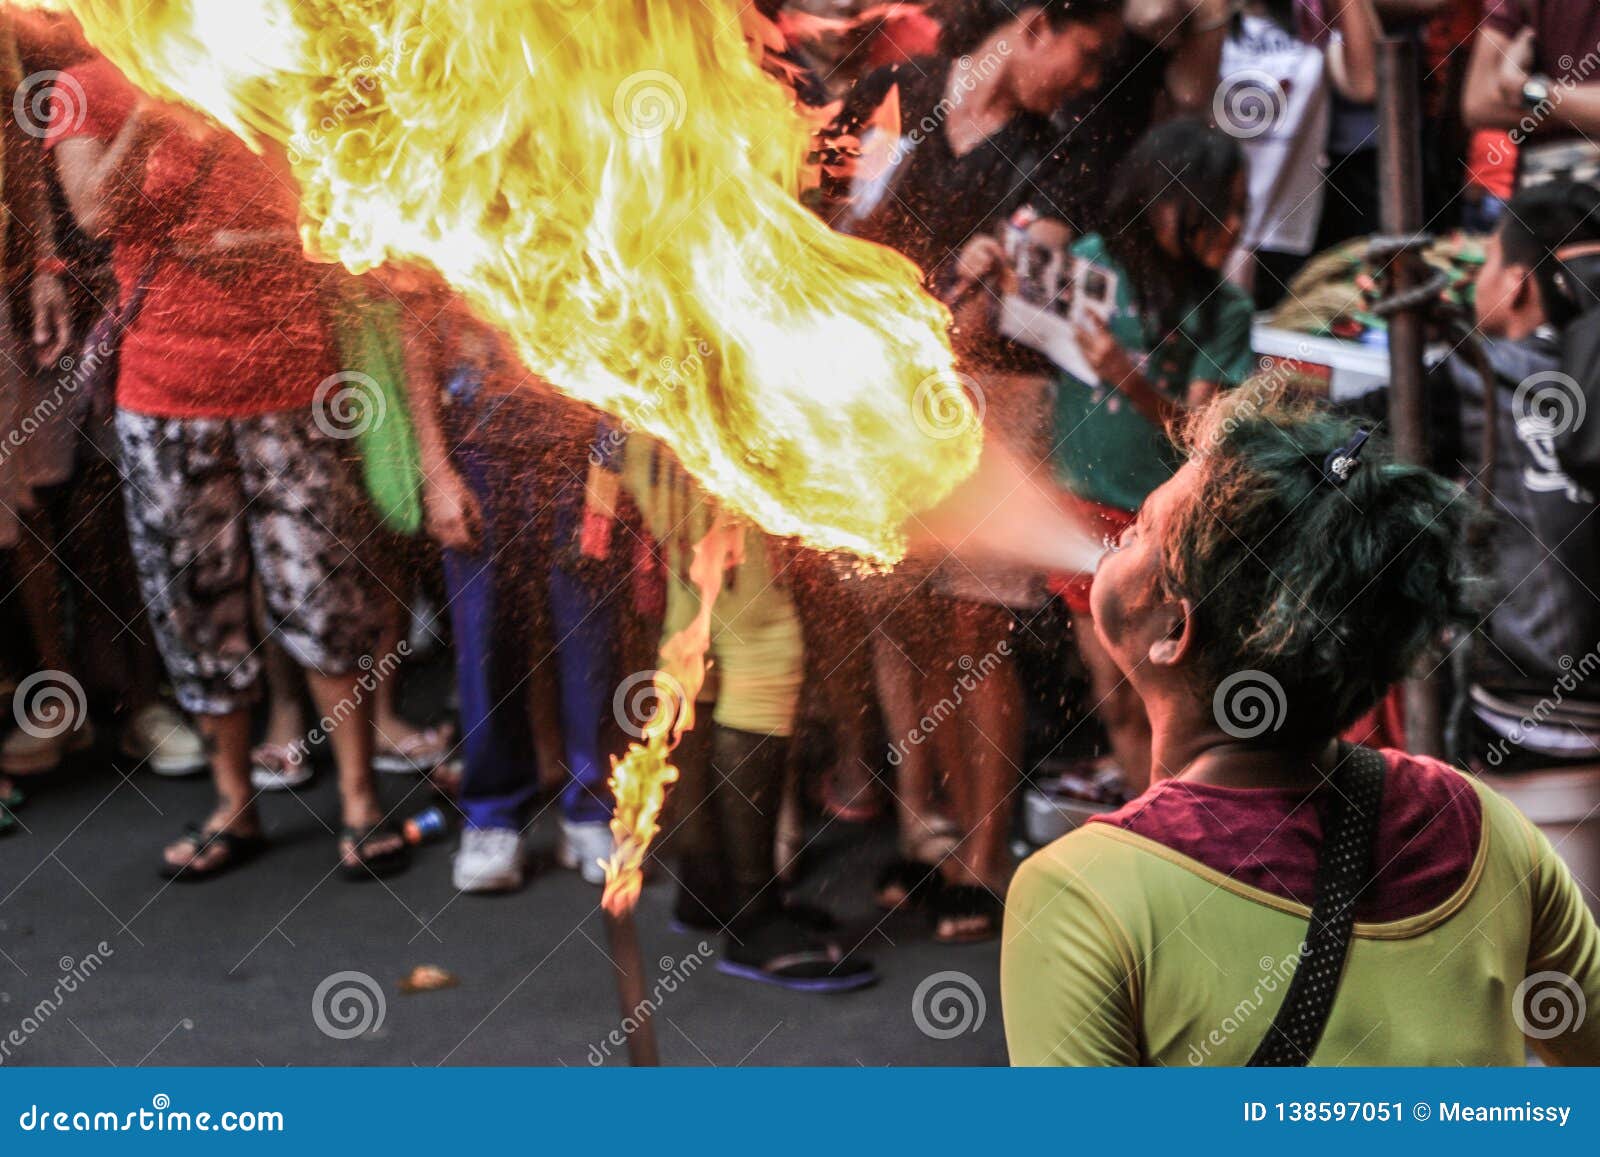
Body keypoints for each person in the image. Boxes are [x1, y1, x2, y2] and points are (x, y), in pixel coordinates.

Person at [1001, 385, 1600, 1065]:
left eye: (1141, 530)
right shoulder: (1482, 826)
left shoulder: (1080, 896)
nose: (1118, 537)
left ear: (1173, 629)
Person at [46, 56, 403, 880]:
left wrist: (261, 238)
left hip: (288, 381)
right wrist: (158, 107)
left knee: (323, 590)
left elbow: (332, 205)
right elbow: (97, 211)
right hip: (166, 394)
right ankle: (233, 803)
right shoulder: (86, 89)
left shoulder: (267, 52)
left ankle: (356, 801)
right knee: (197, 603)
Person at [816, 0, 1124, 943]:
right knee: (904, 612)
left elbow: (1050, 269)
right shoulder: (888, 95)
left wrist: (1011, 270)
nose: (1086, 75)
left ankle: (984, 865)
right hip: (884, 389)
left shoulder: (1066, 142)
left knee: (976, 617)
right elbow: (819, 215)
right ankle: (927, 831)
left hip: (1000, 394)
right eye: (1082, 51)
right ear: (1034, 24)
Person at [1047, 118, 1253, 791]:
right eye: (1223, 204)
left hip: (1162, 524)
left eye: (1240, 207)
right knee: (1113, 694)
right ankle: (1144, 824)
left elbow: (1198, 431)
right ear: (1167, 199)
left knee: (1162, 698)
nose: (1234, 223)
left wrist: (1128, 382)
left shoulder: (1221, 308)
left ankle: (1174, 828)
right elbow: (1019, 322)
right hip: (1080, 508)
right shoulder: (1086, 262)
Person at [1437, 180, 1600, 770]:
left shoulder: (1476, 378)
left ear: (1518, 282)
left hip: (1521, 720)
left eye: (1486, 264)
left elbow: (1361, 435)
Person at [1218, 0, 1379, 308]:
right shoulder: (1205, 14)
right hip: (1208, 228)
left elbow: (1365, 83)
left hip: (1284, 234)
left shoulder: (1310, 18)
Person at [1462, 1, 1600, 190]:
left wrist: (1526, 90)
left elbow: (1499, 92)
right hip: (1544, 192)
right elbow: (1479, 104)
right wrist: (1582, 111)